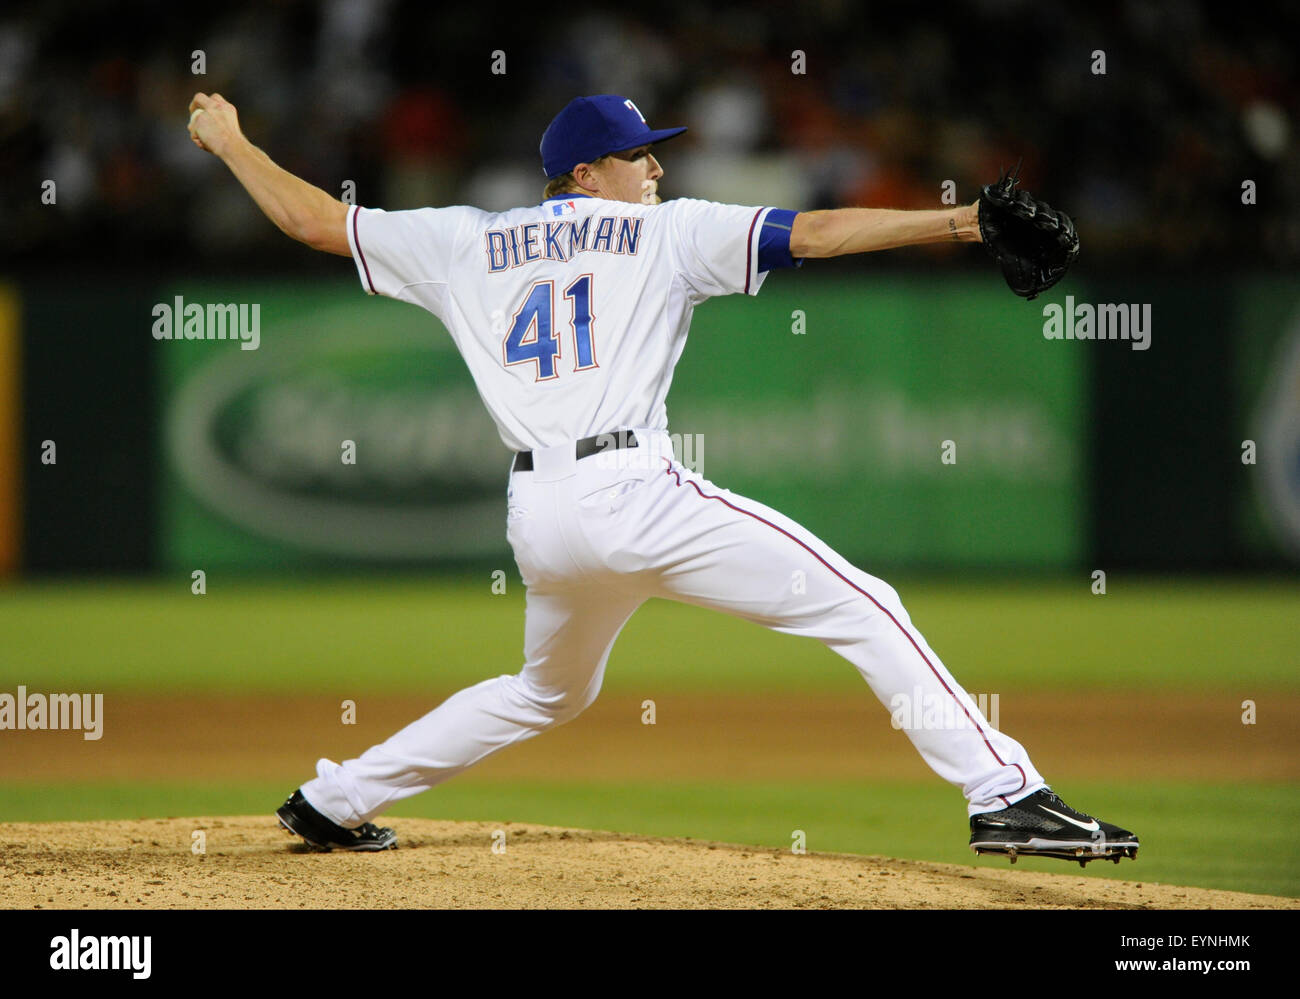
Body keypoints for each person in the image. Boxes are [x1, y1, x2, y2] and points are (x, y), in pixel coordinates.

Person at [186, 91, 1138, 867]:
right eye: (640, 155)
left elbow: (312, 220)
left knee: (546, 692)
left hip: (541, 515)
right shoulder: (665, 232)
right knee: (865, 603)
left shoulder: (464, 238)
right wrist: (966, 220)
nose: (658, 169)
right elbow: (815, 233)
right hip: (633, 493)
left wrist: (230, 139)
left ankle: (333, 798)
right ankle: (1007, 796)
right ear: (588, 173)